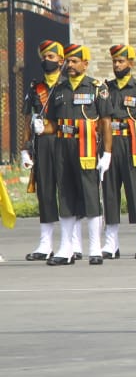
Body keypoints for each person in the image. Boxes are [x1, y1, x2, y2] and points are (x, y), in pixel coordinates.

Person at [46, 44, 109, 265]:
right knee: (65, 196)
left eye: (74, 61)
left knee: (91, 196)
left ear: (85, 63)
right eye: (68, 61)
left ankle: (95, 248)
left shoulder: (96, 88)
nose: (69, 65)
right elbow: (52, 123)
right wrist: (40, 129)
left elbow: (105, 122)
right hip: (63, 146)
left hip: (87, 148)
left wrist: (107, 153)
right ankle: (66, 248)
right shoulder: (59, 88)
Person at [99, 44, 136, 259]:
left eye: (120, 61)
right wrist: (105, 151)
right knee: (110, 193)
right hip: (112, 143)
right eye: (114, 61)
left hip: (132, 144)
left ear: (130, 63)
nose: (117, 65)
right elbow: (102, 120)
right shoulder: (106, 89)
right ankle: (111, 244)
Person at [19, 40, 64, 261]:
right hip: (43, 145)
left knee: (67, 193)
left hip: (64, 141)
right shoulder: (35, 86)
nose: (47, 61)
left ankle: (69, 243)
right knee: (45, 192)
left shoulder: (67, 85)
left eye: (51, 57)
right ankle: (45, 244)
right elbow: (27, 117)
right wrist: (24, 149)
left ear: (61, 60)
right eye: (44, 57)